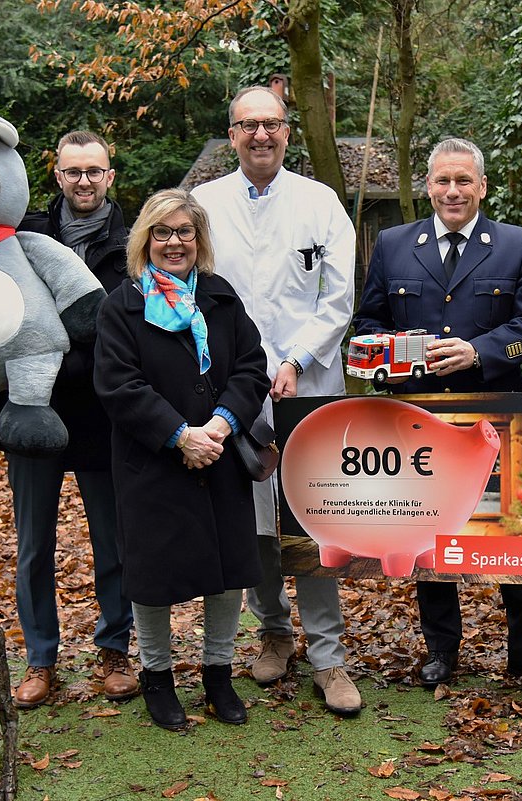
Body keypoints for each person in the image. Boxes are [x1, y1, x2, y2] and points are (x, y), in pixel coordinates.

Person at [352, 137, 522, 688]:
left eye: (463, 181)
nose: (452, 191)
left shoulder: (517, 245)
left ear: (482, 186)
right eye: (441, 181)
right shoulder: (391, 244)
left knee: (516, 534)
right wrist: (399, 352)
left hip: (500, 410)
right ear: (427, 186)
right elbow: (366, 326)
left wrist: (478, 351)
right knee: (430, 532)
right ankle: (442, 650)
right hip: (422, 410)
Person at [191, 86, 362, 715]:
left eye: (272, 124)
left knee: (312, 520)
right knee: (253, 520)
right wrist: (239, 371)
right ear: (231, 134)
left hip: (307, 381)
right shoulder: (204, 206)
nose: (261, 135)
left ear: (287, 132)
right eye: (248, 125)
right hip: (231, 386)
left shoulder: (321, 205)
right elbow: (193, 292)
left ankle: (328, 655)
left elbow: (337, 299)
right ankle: (273, 632)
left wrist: (293, 360)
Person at [93, 189, 271, 730]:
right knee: (153, 575)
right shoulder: (121, 305)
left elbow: (251, 367)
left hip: (219, 453)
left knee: (225, 569)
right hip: (154, 462)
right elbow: (119, 385)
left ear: (200, 239)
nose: (175, 242)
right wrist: (179, 435)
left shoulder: (220, 297)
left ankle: (218, 675)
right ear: (145, 240)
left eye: (185, 232)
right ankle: (158, 677)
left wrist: (218, 425)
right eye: (163, 232)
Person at [11, 131, 136, 707]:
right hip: (33, 409)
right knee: (34, 543)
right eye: (72, 171)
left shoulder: (136, 239)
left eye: (94, 170)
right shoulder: (20, 236)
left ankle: (114, 650)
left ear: (110, 175)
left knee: (112, 540)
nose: (83, 180)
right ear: (56, 175)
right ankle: (40, 658)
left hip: (105, 413)